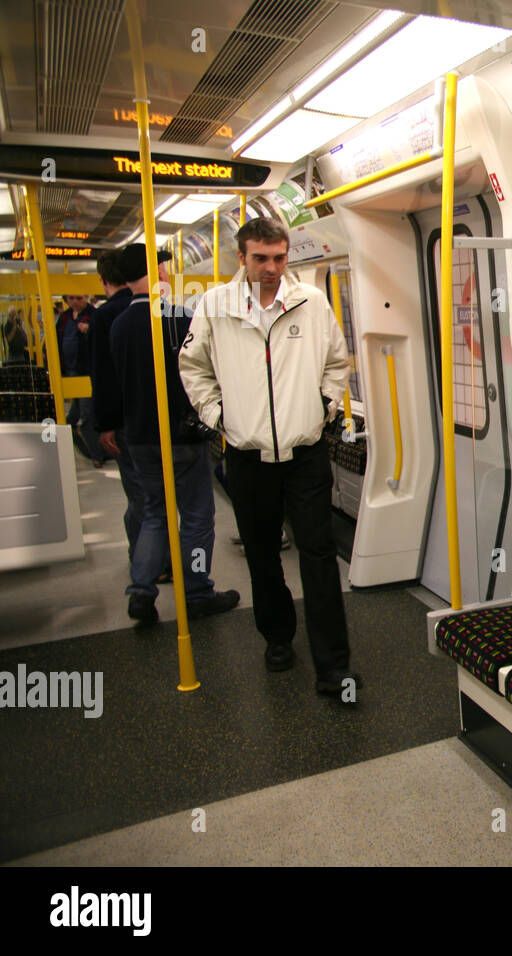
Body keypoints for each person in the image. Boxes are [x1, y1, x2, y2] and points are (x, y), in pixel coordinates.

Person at [179, 217, 359, 697]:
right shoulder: (215, 306)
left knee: (318, 555)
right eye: (261, 258)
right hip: (248, 454)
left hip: (304, 452)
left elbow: (336, 362)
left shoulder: (312, 302)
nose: (272, 268)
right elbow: (192, 367)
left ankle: (333, 665)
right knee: (261, 554)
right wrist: (220, 416)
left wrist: (323, 406)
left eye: (280, 258)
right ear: (242, 258)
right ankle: (277, 637)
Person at [109, 242, 239, 624]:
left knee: (154, 513)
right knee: (196, 516)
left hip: (139, 438)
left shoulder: (117, 325)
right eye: (163, 266)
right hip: (180, 436)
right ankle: (198, 591)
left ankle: (141, 592)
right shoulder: (178, 317)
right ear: (158, 272)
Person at [91, 250, 152, 567]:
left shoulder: (104, 316)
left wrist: (105, 423)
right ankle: (166, 564)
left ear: (103, 280)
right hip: (156, 419)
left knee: (140, 497)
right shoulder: (154, 309)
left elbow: (103, 375)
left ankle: (143, 566)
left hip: (127, 421)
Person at [62, 288, 105, 466]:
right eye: (71, 297)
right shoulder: (64, 319)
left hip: (87, 373)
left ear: (86, 297)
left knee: (86, 415)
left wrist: (89, 331)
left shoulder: (94, 317)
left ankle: (97, 455)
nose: (75, 301)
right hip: (70, 372)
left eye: (79, 297)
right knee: (74, 414)